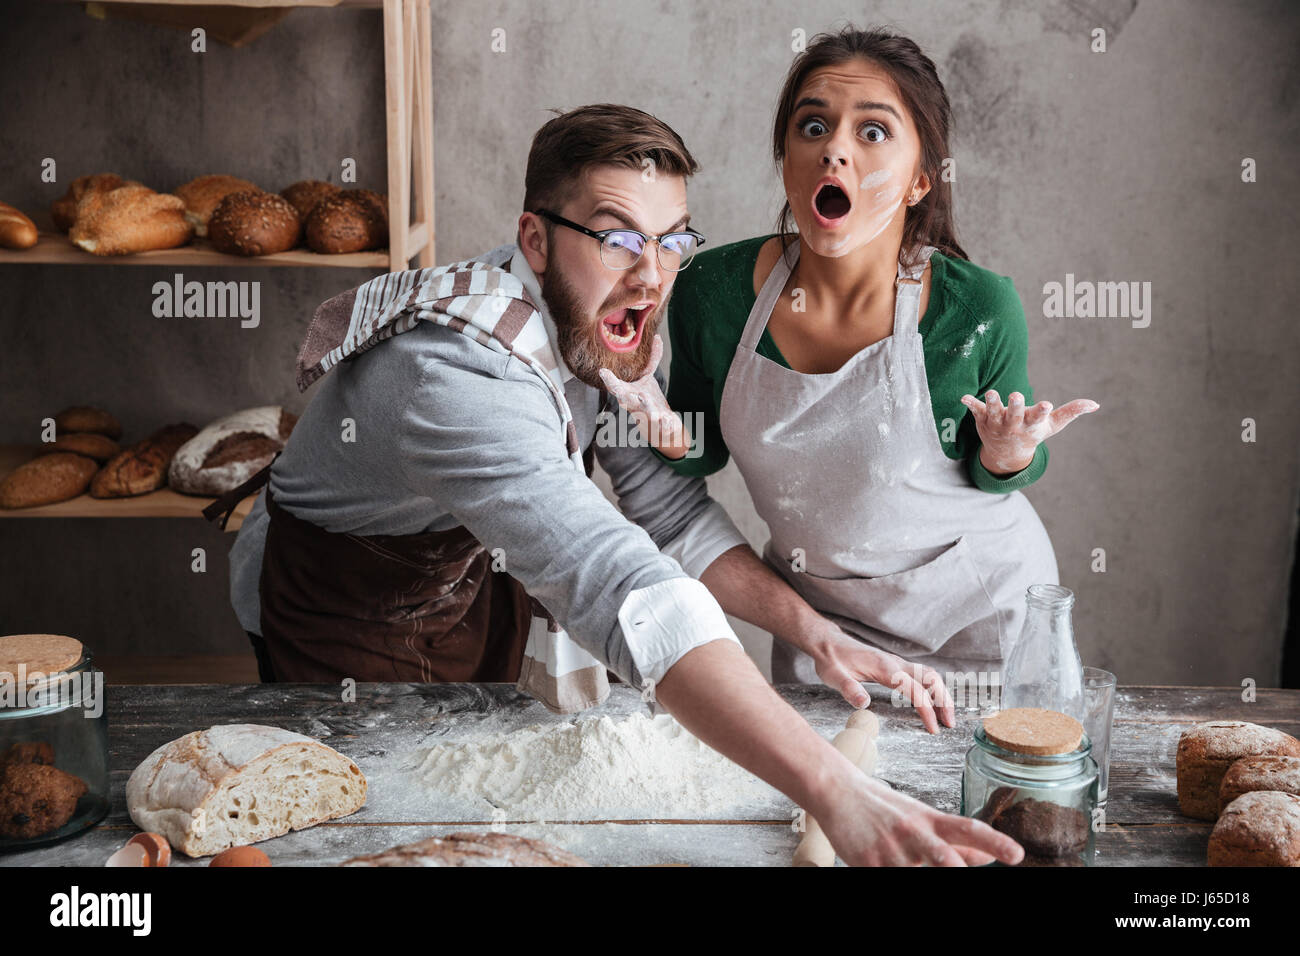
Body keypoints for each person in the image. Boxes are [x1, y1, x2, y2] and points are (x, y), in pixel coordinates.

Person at [218, 103, 1023, 866]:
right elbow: (622, 583)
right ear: (533, 241)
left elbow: (667, 512)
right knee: (389, 816)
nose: (651, 275)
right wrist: (834, 791)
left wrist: (817, 633)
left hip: (475, 570)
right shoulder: (457, 379)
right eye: (616, 239)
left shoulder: (600, 320)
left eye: (672, 241)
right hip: (345, 599)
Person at [600, 28, 1099, 695]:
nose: (834, 146)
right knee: (823, 795)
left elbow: (999, 476)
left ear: (921, 178)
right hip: (822, 622)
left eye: (872, 133)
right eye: (813, 125)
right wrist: (665, 429)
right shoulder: (710, 292)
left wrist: (1010, 452)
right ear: (787, 158)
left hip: (982, 620)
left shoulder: (977, 308)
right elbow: (703, 453)